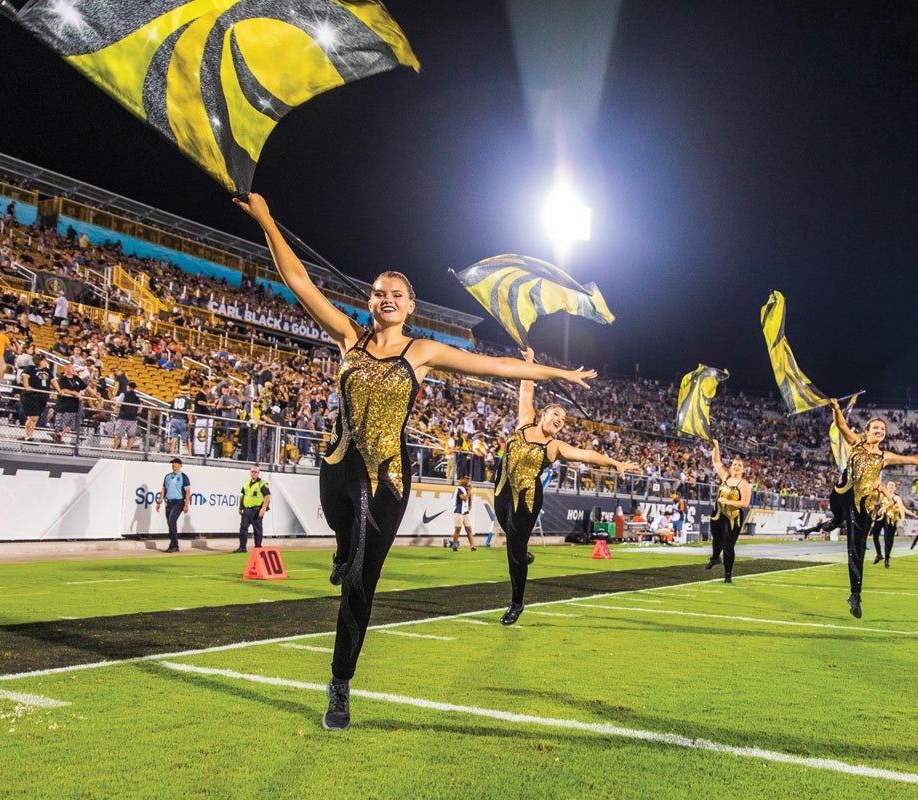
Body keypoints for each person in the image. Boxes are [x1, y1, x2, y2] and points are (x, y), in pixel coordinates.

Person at [235, 192, 597, 733]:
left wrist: (556, 375)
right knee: (339, 519)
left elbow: (494, 366)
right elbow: (299, 281)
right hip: (339, 463)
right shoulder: (348, 339)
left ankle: (339, 683)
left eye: (396, 293)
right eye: (378, 291)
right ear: (371, 301)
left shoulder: (420, 352)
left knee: (361, 579)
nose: (385, 297)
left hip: (387, 476)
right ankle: (341, 545)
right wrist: (266, 220)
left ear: (410, 307)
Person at [494, 347, 638, 625]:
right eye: (556, 414)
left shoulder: (555, 447)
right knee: (510, 536)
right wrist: (527, 363)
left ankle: (516, 603)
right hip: (500, 491)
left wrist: (615, 463)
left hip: (527, 499)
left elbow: (586, 455)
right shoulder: (524, 424)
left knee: (513, 550)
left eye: (563, 420)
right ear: (542, 415)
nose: (560, 420)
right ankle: (523, 552)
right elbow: (526, 392)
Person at [830, 398, 918, 618]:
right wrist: (835, 409)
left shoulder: (885, 456)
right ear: (867, 431)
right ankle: (832, 521)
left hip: (866, 507)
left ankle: (855, 594)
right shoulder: (855, 443)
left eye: (883, 429)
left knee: (857, 549)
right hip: (846, 496)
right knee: (841, 517)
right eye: (876, 428)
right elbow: (841, 425)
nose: (880, 431)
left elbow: (916, 459)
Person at [703, 439, 752, 583]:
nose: (736, 467)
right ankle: (715, 558)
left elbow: (745, 503)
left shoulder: (743, 484)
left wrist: (728, 501)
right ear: (730, 466)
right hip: (718, 513)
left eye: (740, 465)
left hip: (733, 517)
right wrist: (716, 447)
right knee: (716, 540)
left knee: (728, 545)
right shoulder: (725, 476)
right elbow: (717, 462)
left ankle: (728, 574)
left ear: (743, 469)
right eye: (734, 464)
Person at [155, 457, 190, 552]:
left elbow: (187, 491)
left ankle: (175, 545)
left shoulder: (183, 476)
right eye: (173, 463)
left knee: (172, 521)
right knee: (170, 524)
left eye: (176, 463)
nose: (174, 465)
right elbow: (163, 490)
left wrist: (186, 504)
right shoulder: (168, 476)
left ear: (180, 465)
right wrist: (159, 502)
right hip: (169, 502)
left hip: (178, 502)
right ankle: (173, 544)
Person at [235, 465, 271, 553]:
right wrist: (240, 506)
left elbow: (267, 496)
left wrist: (263, 509)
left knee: (257, 529)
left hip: (256, 510)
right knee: (243, 528)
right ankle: (242, 547)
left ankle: (258, 547)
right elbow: (244, 495)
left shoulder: (262, 483)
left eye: (255, 472)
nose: (253, 474)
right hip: (247, 509)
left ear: (258, 473)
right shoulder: (246, 482)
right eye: (252, 472)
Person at [51, 362, 87, 444]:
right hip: (64, 405)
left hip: (74, 406)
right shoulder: (62, 379)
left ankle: (59, 435)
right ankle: (60, 438)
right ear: (66, 369)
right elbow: (63, 390)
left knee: (71, 425)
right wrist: (76, 393)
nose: (74, 370)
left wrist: (96, 394)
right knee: (61, 424)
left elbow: (86, 387)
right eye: (72, 368)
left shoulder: (76, 378)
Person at [112, 381, 142, 450]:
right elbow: (139, 410)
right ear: (134, 388)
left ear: (127, 387)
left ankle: (113, 449)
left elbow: (118, 404)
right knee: (131, 436)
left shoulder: (123, 395)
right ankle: (128, 450)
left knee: (118, 435)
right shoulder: (138, 398)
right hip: (133, 419)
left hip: (123, 417)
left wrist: (117, 412)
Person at [451, 476, 475, 552]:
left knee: (469, 529)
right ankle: (454, 545)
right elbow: (464, 498)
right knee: (458, 529)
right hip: (458, 512)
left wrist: (470, 505)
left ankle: (472, 546)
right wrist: (468, 492)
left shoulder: (468, 490)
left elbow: (469, 499)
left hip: (465, 512)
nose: (470, 483)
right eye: (468, 481)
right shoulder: (459, 489)